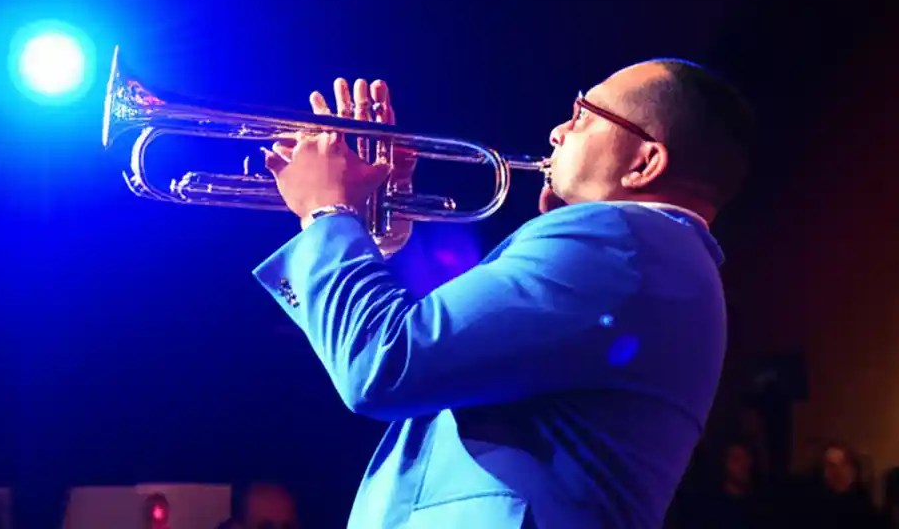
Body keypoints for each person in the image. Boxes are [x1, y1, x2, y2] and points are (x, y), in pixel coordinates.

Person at [253, 59, 755, 528]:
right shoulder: (656, 256)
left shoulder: (619, 239)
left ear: (644, 163)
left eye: (583, 114)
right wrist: (373, 236)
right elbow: (446, 348)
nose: (557, 132)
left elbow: (383, 363)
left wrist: (326, 214)